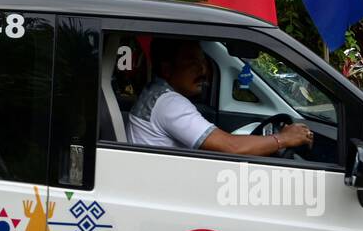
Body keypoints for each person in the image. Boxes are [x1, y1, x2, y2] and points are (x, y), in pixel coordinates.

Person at [126, 36, 314, 156]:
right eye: (193, 62)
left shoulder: (156, 94)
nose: (203, 69)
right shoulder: (169, 104)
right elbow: (232, 148)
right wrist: (283, 139)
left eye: (202, 61)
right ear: (167, 69)